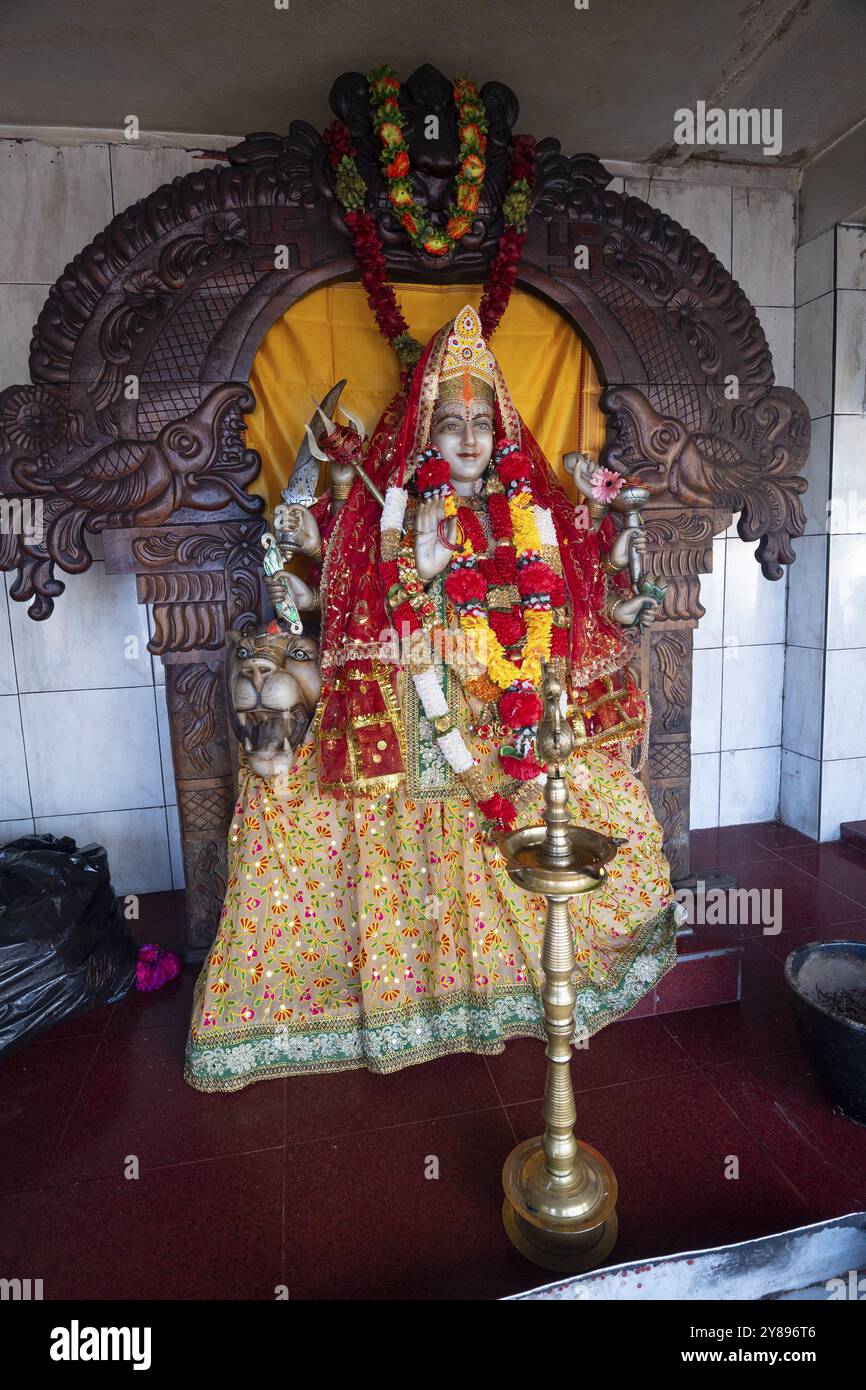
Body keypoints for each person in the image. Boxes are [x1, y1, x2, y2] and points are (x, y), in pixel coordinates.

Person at [184, 305, 678, 1092]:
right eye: (452, 424)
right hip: (420, 708)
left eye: (482, 422)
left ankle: (520, 988)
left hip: (510, 718)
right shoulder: (396, 512)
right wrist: (419, 562)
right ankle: (416, 1006)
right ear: (425, 435)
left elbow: (569, 606)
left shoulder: (533, 512)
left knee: (544, 823)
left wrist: (616, 585)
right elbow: (355, 609)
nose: (471, 438)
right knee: (405, 828)